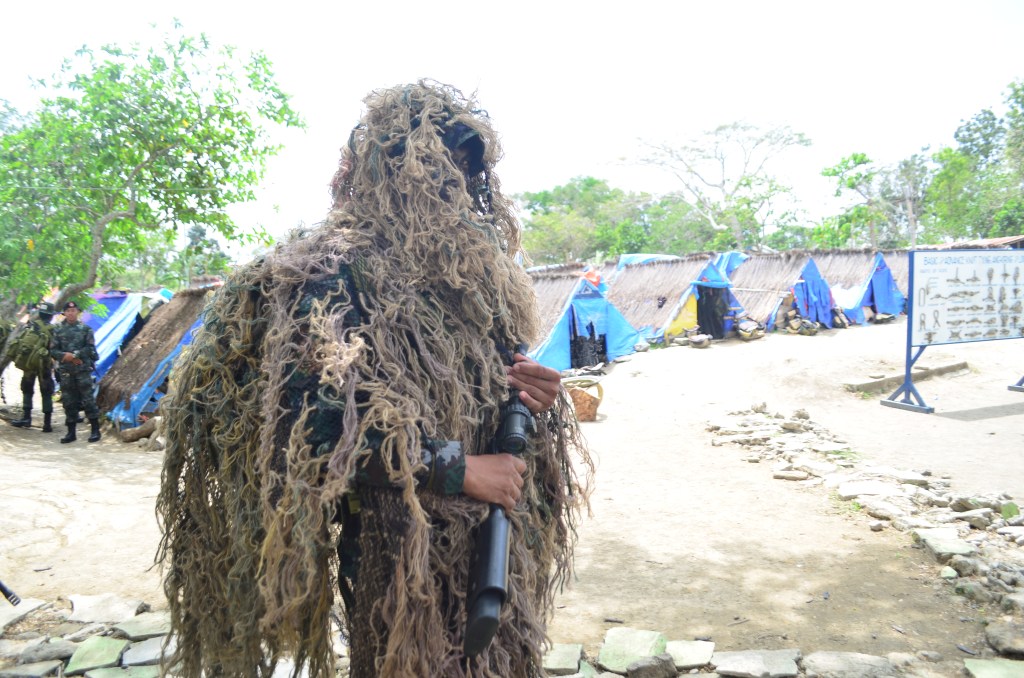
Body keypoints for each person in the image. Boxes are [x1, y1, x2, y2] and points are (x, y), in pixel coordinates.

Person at [157, 81, 592, 678]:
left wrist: (532, 395)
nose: (451, 186)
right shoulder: (330, 276)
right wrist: (458, 469)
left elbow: (496, 384)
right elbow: (310, 434)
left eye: (463, 171)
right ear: (383, 168)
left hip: (496, 549)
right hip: (397, 560)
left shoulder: (476, 281)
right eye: (432, 167)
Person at [49, 300, 101, 443]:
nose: (71, 313)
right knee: (68, 401)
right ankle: (71, 433)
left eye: (73, 310)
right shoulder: (58, 329)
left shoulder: (86, 330)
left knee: (88, 400)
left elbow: (91, 349)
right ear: (64, 313)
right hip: (66, 371)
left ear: (78, 312)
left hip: (82, 370)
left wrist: (75, 355)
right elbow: (53, 350)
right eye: (68, 311)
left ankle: (95, 430)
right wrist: (65, 357)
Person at [2, 302, 57, 432]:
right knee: (47, 392)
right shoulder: (54, 330)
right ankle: (47, 423)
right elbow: (55, 349)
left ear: (40, 314)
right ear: (50, 316)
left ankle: (26, 418)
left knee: (27, 390)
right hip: (44, 365)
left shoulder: (31, 326)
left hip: (29, 364)